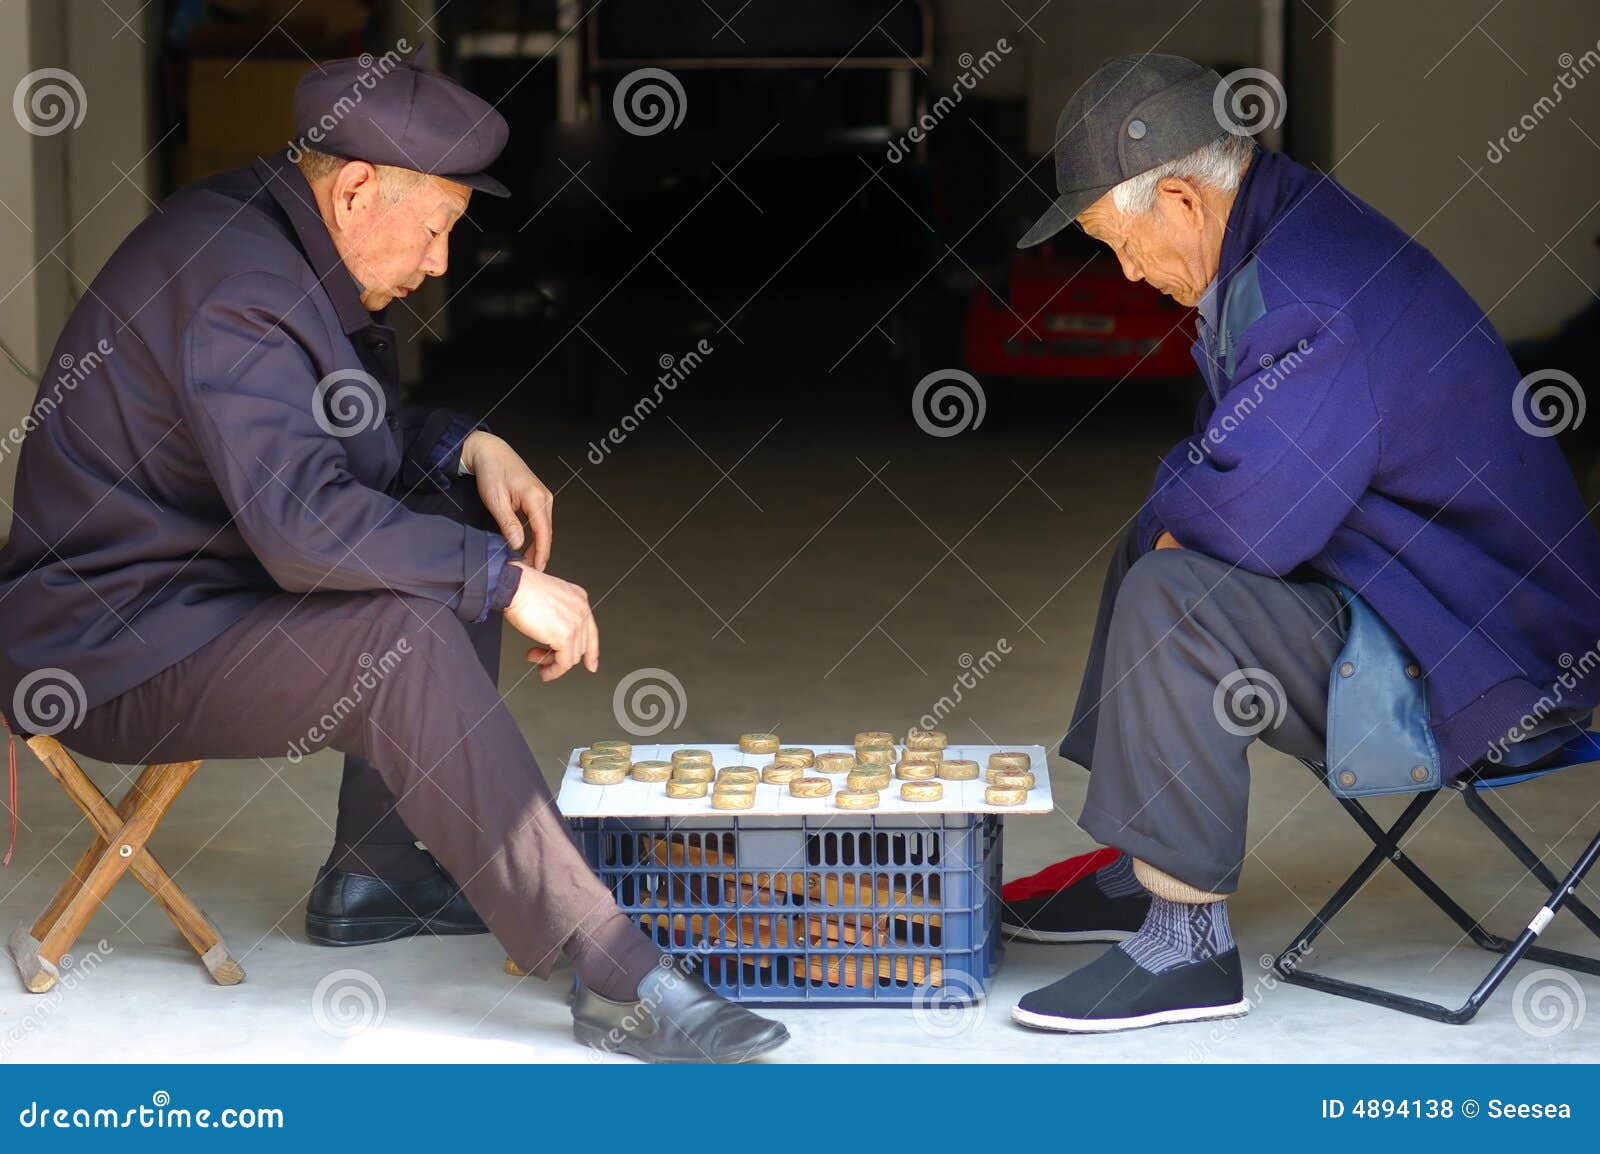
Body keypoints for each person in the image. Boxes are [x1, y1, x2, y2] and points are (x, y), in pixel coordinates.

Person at [0, 54, 787, 1064]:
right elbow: (299, 522)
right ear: (358, 188)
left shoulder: (277, 234)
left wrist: (468, 445)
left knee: (455, 518)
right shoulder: (237, 284)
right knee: (410, 625)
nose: (441, 261)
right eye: (437, 226)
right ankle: (614, 970)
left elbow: (322, 440)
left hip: (200, 588)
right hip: (110, 643)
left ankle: (374, 873)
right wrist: (505, 582)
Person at [1004, 53, 1600, 1033]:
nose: (1126, 272)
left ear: (1185, 204)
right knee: (1156, 543)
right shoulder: (1279, 227)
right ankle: (1140, 856)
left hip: (1491, 665)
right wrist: (1170, 516)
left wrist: (1175, 519)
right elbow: (1229, 476)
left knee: (1178, 591)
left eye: (1122, 243)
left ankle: (1185, 943)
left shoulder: (1305, 292)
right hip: (1426, 599)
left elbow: (1248, 524)